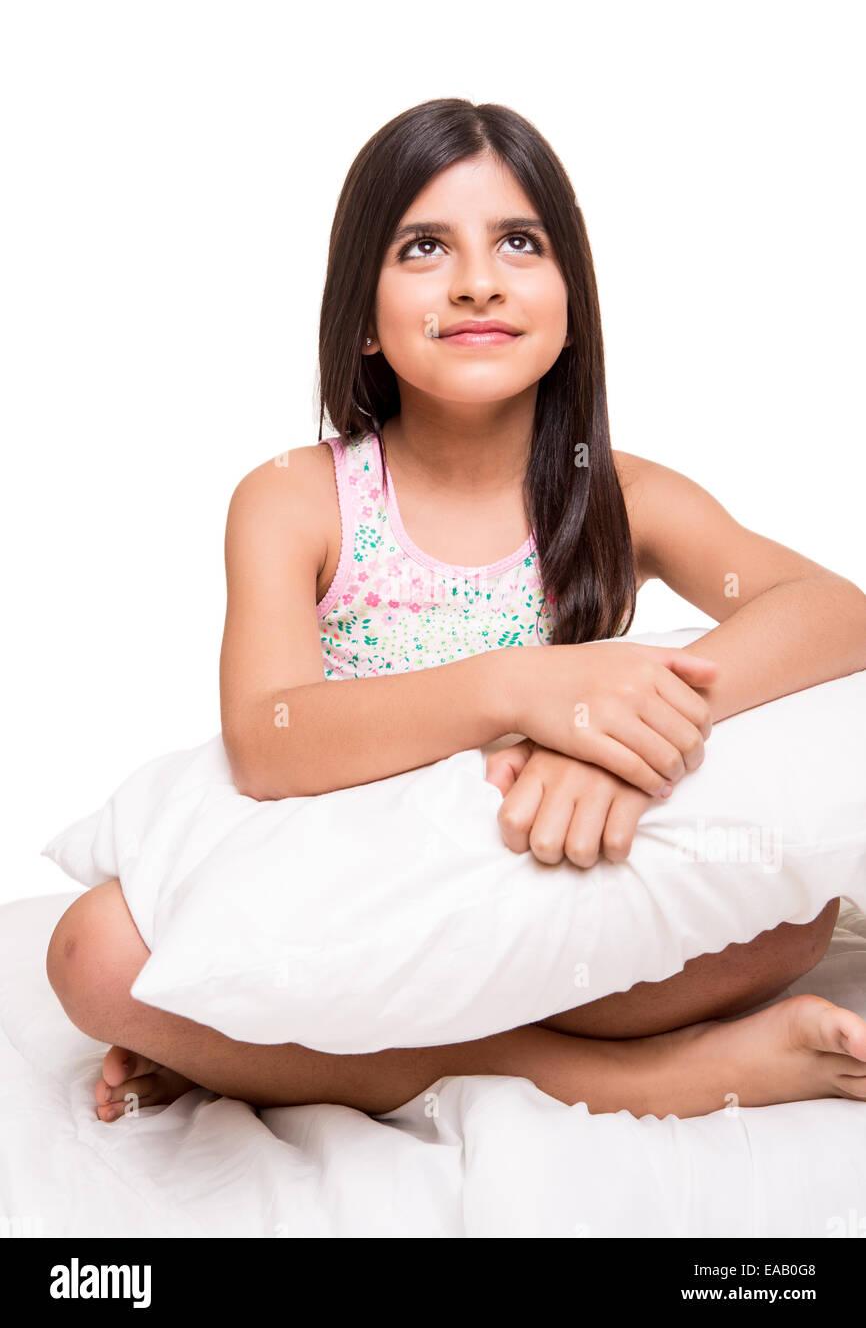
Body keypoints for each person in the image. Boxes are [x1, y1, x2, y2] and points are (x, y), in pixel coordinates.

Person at [47, 98, 866, 1122]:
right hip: (355, 887)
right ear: (359, 316)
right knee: (94, 956)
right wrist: (522, 689)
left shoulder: (622, 493)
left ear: (571, 298)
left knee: (787, 920)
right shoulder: (294, 497)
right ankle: (639, 1080)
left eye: (517, 242)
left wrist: (617, 733)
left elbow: (832, 610)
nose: (477, 279)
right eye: (424, 246)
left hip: (532, 880)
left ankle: (276, 1052)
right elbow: (268, 737)